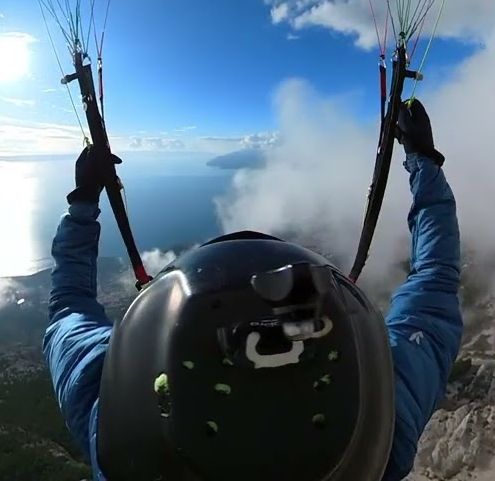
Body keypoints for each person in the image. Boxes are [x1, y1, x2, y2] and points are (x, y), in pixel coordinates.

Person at [42, 98, 463, 481]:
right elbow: (436, 281)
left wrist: (83, 203)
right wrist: (422, 161)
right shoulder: (385, 422)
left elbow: (68, 309)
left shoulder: (114, 416)